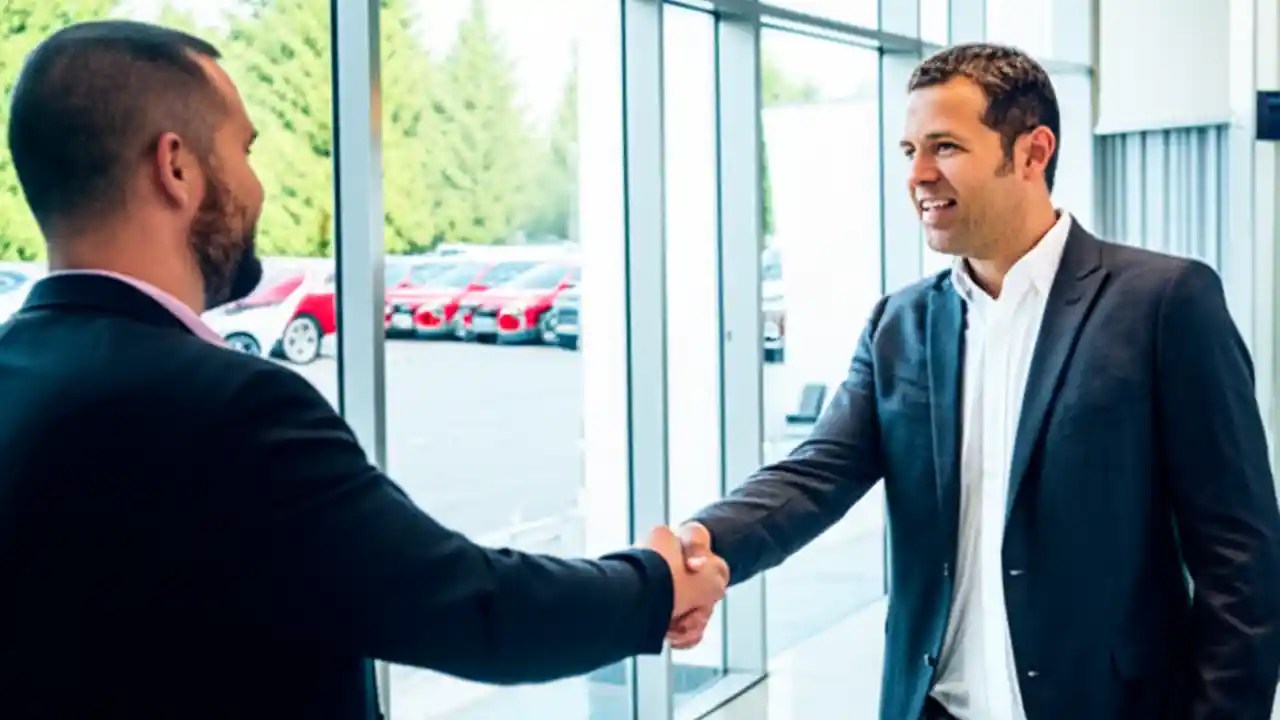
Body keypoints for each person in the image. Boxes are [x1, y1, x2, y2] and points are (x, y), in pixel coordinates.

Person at [0, 20, 728, 719]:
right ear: (177, 166)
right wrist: (656, 585)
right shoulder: (232, 407)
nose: (258, 188)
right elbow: (475, 608)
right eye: (244, 150)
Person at [667, 43, 1280, 720]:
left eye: (946, 147)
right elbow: (815, 475)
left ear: (1031, 152)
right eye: (909, 151)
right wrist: (698, 547)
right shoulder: (898, 323)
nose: (919, 175)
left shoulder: (1163, 303)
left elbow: (1241, 559)